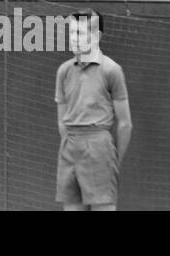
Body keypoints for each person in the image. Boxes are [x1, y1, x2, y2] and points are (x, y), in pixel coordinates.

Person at [55, 11, 131, 211]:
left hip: (100, 149)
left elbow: (125, 124)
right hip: (70, 149)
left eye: (80, 33)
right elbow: (62, 121)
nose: (74, 38)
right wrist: (71, 145)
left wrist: (113, 160)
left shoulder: (111, 70)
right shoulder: (64, 71)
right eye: (71, 33)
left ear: (97, 36)